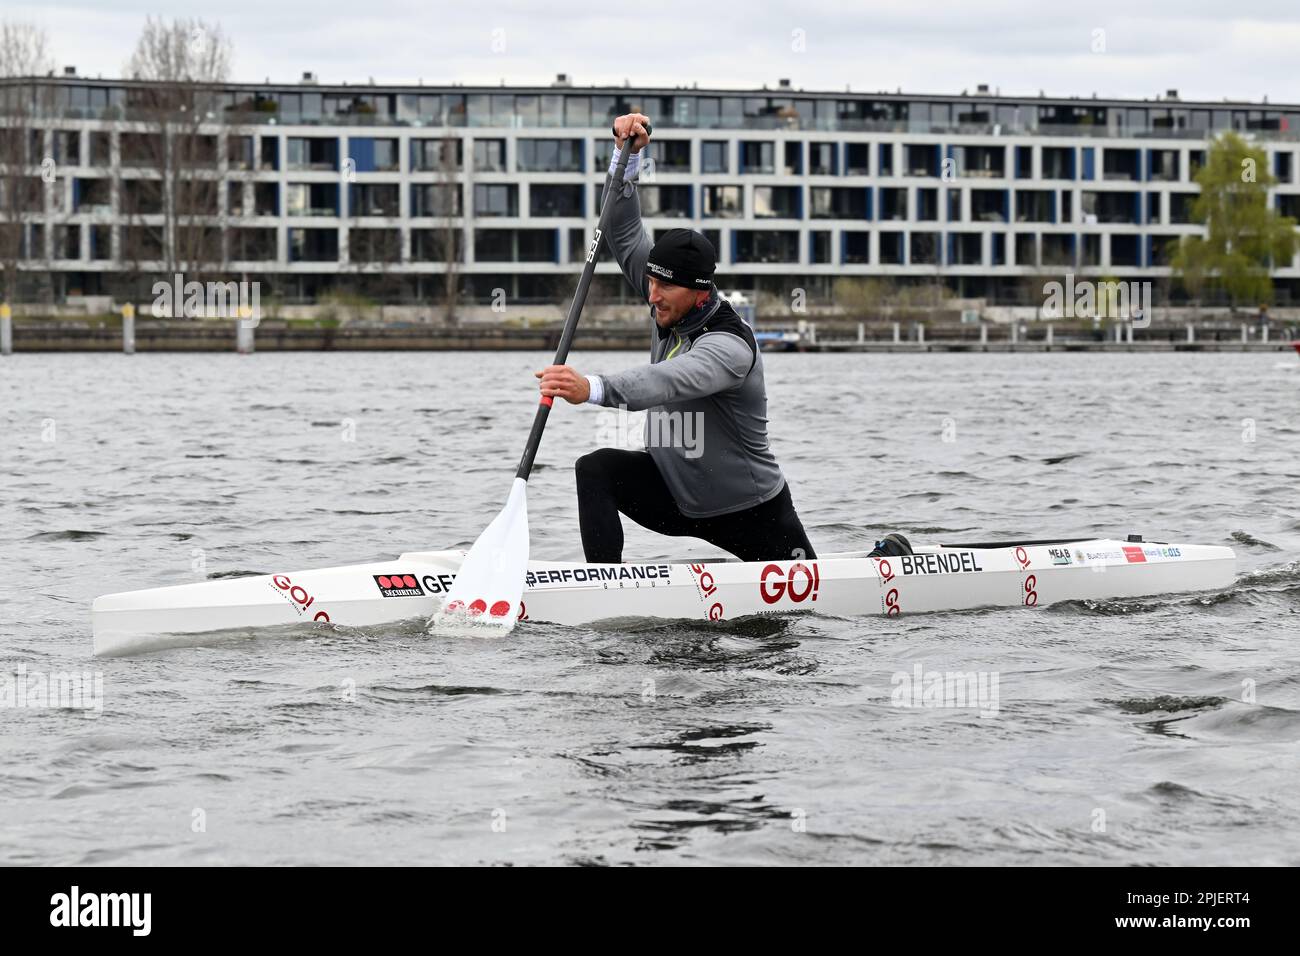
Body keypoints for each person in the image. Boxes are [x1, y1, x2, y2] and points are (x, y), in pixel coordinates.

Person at [538, 113, 908, 564]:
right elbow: (622, 232)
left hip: (748, 510)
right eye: (649, 281)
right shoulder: (667, 296)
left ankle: (886, 559)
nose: (651, 295)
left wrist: (592, 388)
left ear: (699, 292)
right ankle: (604, 587)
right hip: (675, 494)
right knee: (595, 468)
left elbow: (667, 381)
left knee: (798, 620)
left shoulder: (731, 346)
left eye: (663, 287)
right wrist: (625, 159)